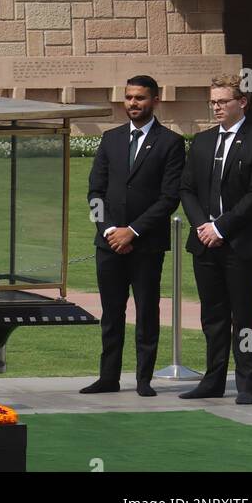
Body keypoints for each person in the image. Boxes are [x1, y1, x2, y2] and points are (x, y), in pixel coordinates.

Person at [79, 75, 185, 397]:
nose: (132, 104)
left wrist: (132, 231)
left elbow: (169, 197)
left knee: (146, 313)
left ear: (154, 101)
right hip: (108, 244)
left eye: (139, 98)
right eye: (128, 98)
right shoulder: (110, 140)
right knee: (111, 315)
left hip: (146, 246)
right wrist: (111, 231)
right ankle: (108, 377)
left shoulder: (170, 143)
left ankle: (143, 380)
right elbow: (95, 192)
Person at [178, 74, 252, 405]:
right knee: (213, 315)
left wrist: (221, 228)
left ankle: (247, 383)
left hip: (242, 244)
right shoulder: (203, 141)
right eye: (213, 102)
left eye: (223, 101)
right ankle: (213, 379)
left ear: (242, 103)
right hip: (204, 243)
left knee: (245, 315)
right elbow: (187, 188)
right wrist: (202, 227)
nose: (216, 107)